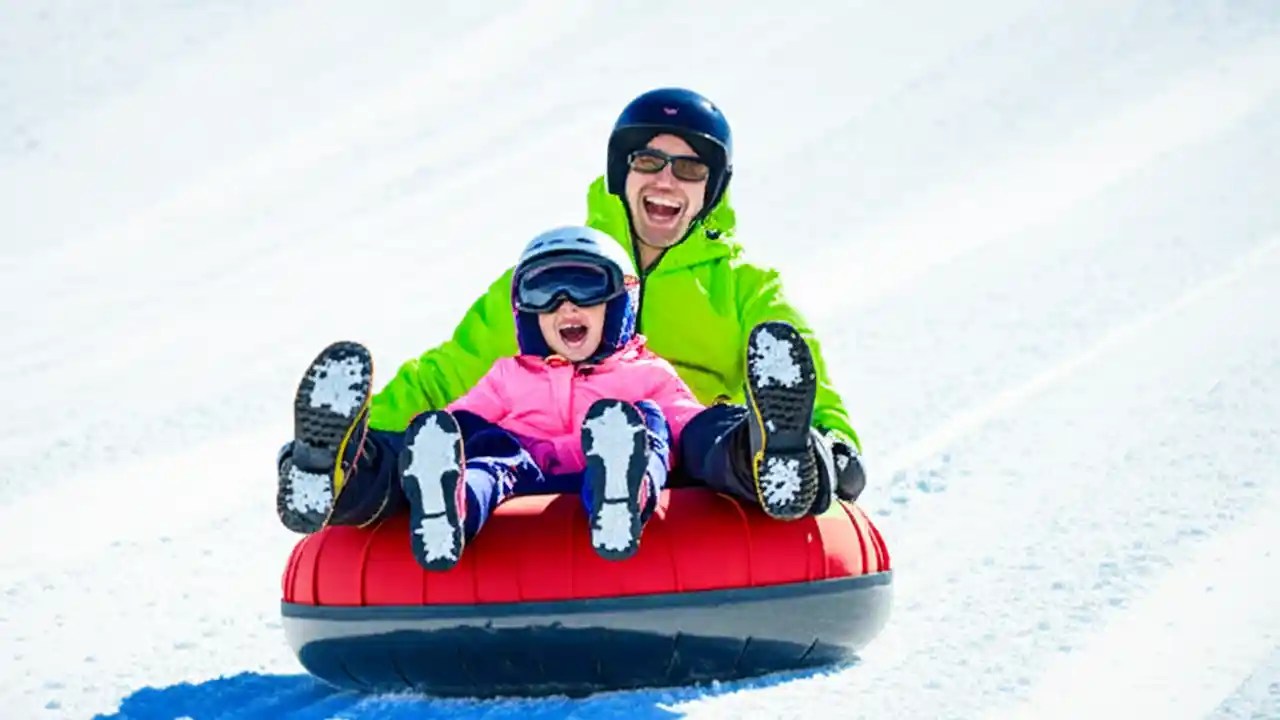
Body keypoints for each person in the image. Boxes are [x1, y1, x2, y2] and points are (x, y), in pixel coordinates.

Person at [276, 87, 866, 535]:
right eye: (647, 161)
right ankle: (342, 467)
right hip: (544, 456)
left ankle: (776, 461)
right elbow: (450, 373)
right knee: (452, 444)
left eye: (689, 168)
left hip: (680, 461)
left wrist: (833, 439)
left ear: (711, 189)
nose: (666, 179)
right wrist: (375, 426)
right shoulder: (552, 275)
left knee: (716, 439)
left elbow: (797, 367)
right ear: (621, 171)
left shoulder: (743, 287)